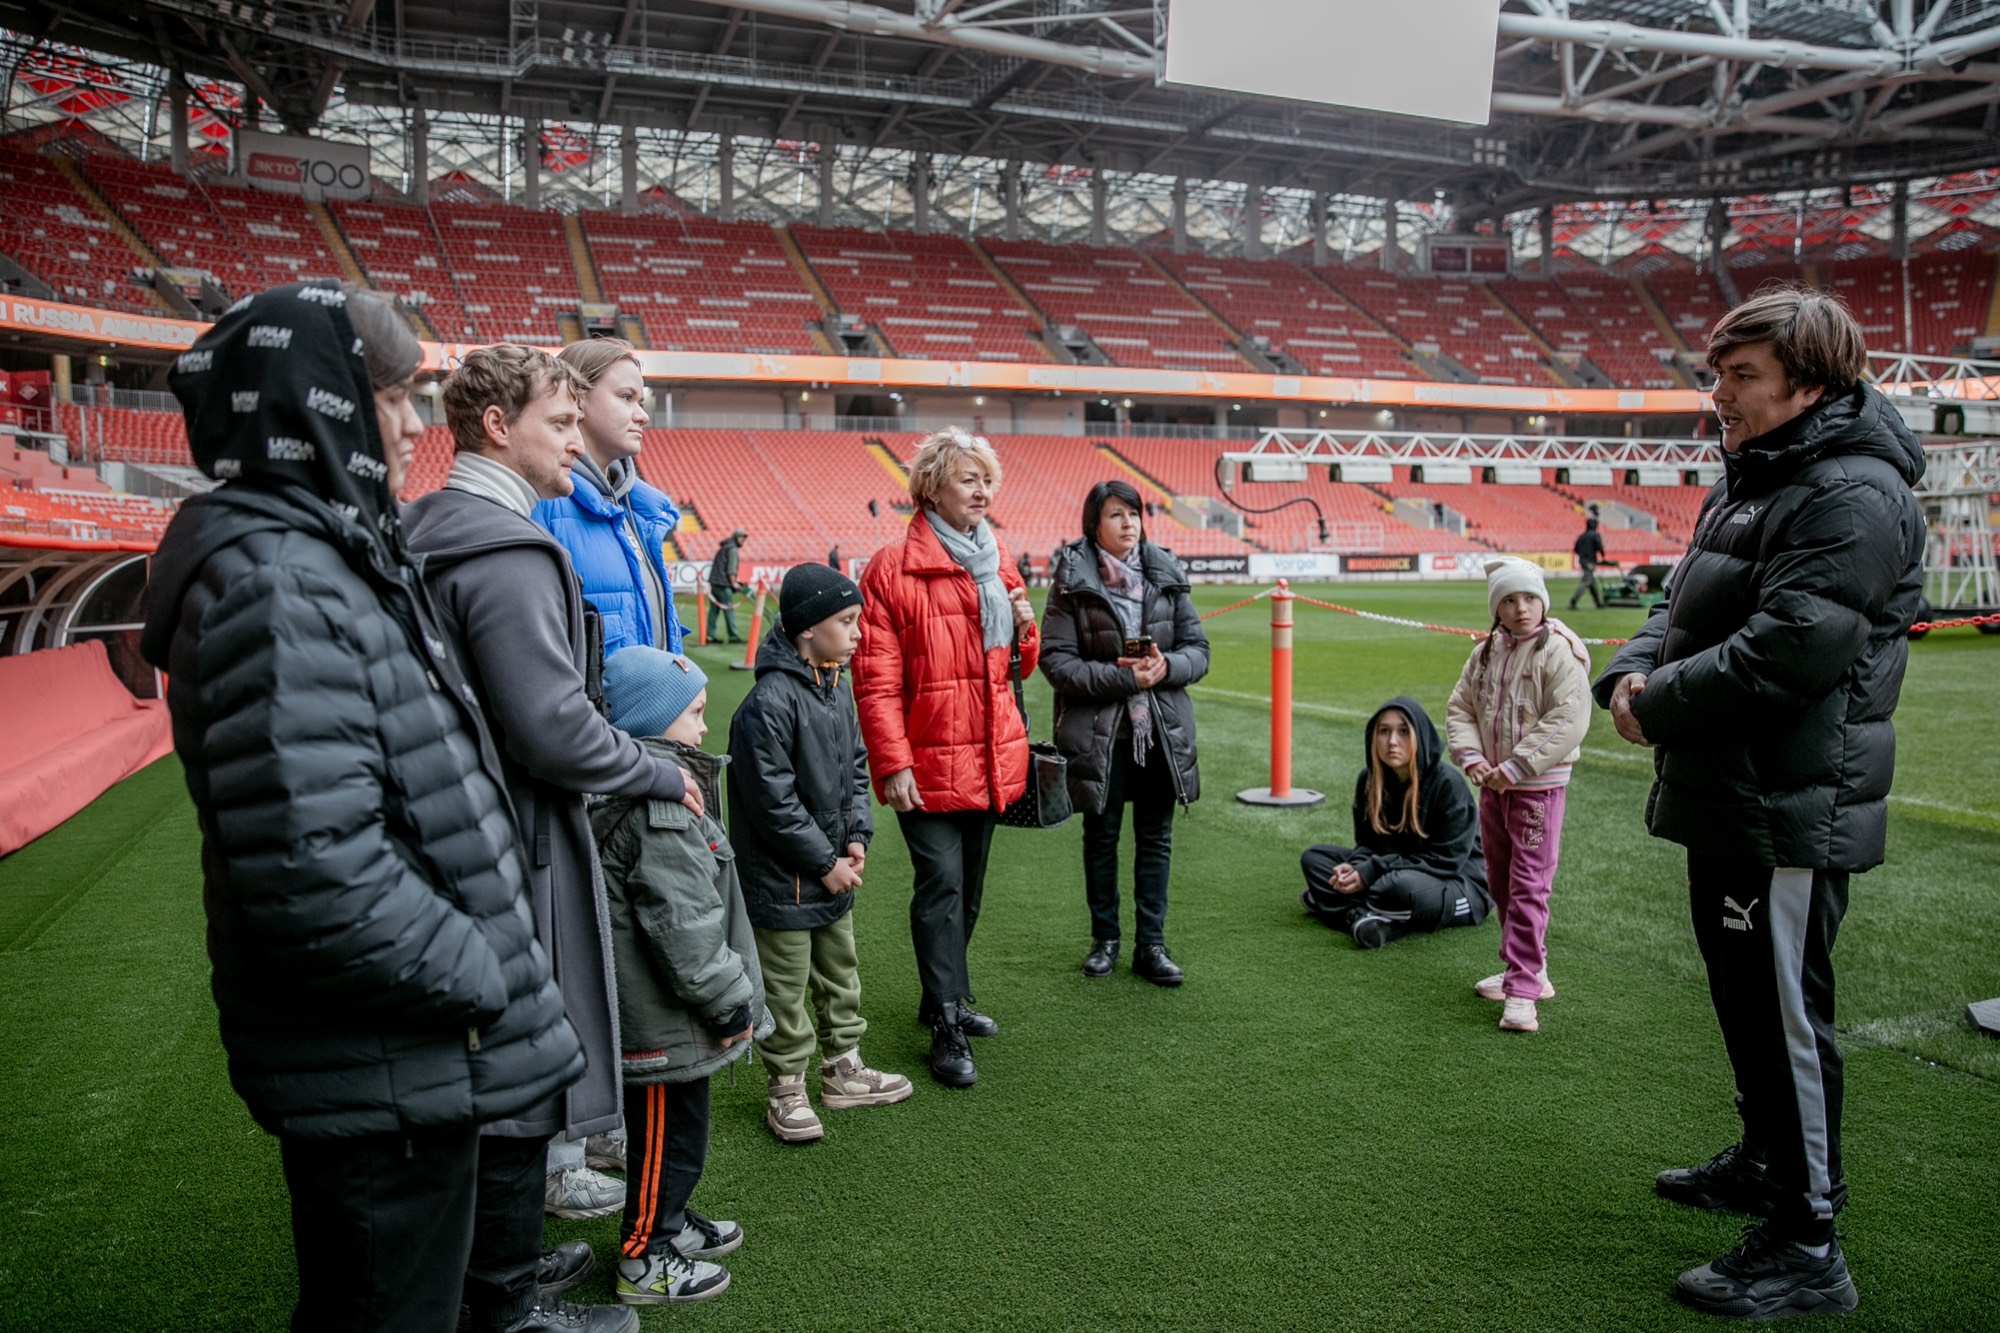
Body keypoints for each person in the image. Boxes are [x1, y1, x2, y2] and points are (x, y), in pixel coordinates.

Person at [137, 283, 585, 1333]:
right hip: (391, 1052)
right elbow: (314, 872)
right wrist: (485, 973)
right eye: (393, 395)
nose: (413, 422)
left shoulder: (319, 556)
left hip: (403, 1054)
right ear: (320, 402)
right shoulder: (278, 583)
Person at [1596, 286, 1924, 1320]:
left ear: (1809, 383)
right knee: (1743, 999)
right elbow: (1677, 604)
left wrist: (1659, 704)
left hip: (1789, 800)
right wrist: (1627, 674)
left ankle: (1806, 1239)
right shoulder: (1754, 478)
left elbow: (1792, 650)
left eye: (1737, 377)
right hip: (1732, 791)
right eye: (1714, 374)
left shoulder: (1853, 496)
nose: (1716, 396)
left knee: (1784, 1013)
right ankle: (1763, 1162)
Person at [405, 344, 704, 1333]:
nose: (576, 443)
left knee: (487, 1069)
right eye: (560, 422)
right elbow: (552, 729)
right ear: (497, 424)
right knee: (515, 1071)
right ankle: (501, 1305)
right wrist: (658, 766)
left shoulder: (434, 529)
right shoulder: (502, 546)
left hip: (458, 842)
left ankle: (494, 1271)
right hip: (511, 844)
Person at [854, 427, 1037, 1088]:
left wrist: (1024, 628)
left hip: (990, 757)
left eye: (988, 478)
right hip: (927, 762)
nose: (983, 490)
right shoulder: (890, 569)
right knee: (941, 885)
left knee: (973, 887)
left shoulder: (1000, 559)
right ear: (931, 486)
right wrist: (892, 763)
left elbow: (1015, 669)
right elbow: (874, 681)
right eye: (969, 478)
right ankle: (948, 1021)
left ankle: (943, 994)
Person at [594, 647, 770, 1307]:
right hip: (662, 1014)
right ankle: (646, 1251)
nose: (703, 726)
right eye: (693, 713)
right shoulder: (657, 803)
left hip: (672, 1010)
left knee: (683, 1133)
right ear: (652, 718)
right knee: (667, 1132)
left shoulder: (662, 783)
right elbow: (684, 920)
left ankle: (669, 1220)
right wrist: (729, 1001)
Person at [729, 563, 913, 1142]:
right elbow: (773, 804)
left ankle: (843, 1073)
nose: (859, 632)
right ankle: (787, 1088)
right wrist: (824, 862)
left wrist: (857, 836)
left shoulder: (835, 686)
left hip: (833, 872)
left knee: (840, 973)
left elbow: (856, 770)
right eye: (847, 621)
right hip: (787, 881)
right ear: (808, 628)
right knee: (785, 986)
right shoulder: (768, 703)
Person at [1041, 480, 1210, 985]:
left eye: (1134, 513)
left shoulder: (1165, 571)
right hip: (1102, 733)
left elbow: (1199, 649)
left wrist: (1168, 666)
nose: (1128, 523)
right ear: (1094, 523)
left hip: (1160, 729)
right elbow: (1056, 661)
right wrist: (1123, 679)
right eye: (1116, 515)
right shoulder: (1072, 579)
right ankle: (1106, 939)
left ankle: (1151, 946)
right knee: (1103, 836)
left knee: (1156, 839)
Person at [1445, 559, 1591, 1034]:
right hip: (1493, 785)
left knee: (1529, 886)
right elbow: (1461, 706)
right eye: (1508, 600)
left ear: (1542, 601)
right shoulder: (1486, 651)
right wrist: (1472, 758)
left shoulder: (1559, 652)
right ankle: (1527, 970)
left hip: (1535, 790)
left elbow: (1567, 720)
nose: (1520, 608)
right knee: (1502, 881)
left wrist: (1516, 766)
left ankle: (1524, 990)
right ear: (1496, 608)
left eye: (1528, 598)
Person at [1299, 697, 1491, 950]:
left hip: (1457, 882)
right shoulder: (1369, 780)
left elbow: (1446, 860)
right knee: (1315, 859)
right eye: (1384, 731)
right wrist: (1356, 868)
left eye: (1403, 732)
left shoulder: (1447, 784)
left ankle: (1340, 904)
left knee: (1395, 888)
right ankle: (1363, 919)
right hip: (1394, 870)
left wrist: (1370, 871)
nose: (1392, 742)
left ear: (1419, 735)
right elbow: (1368, 844)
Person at [531, 338, 683, 656]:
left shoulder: (641, 511)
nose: (642, 415)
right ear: (577, 399)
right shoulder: (539, 504)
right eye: (626, 398)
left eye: (641, 401)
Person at [707, 528, 749, 643]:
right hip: (723, 585)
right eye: (741, 538)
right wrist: (734, 584)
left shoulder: (724, 547)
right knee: (729, 610)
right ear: (736, 538)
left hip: (714, 583)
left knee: (713, 611)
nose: (743, 541)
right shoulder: (733, 549)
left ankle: (710, 636)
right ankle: (733, 636)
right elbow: (731, 569)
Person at [1568, 517, 1606, 610]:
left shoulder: (1582, 536)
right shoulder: (1595, 535)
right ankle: (1574, 601)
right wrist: (1602, 554)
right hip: (1590, 561)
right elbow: (1599, 546)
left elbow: (1576, 549)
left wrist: (1583, 554)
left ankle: (1598, 603)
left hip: (1583, 561)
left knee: (1592, 583)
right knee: (1586, 581)